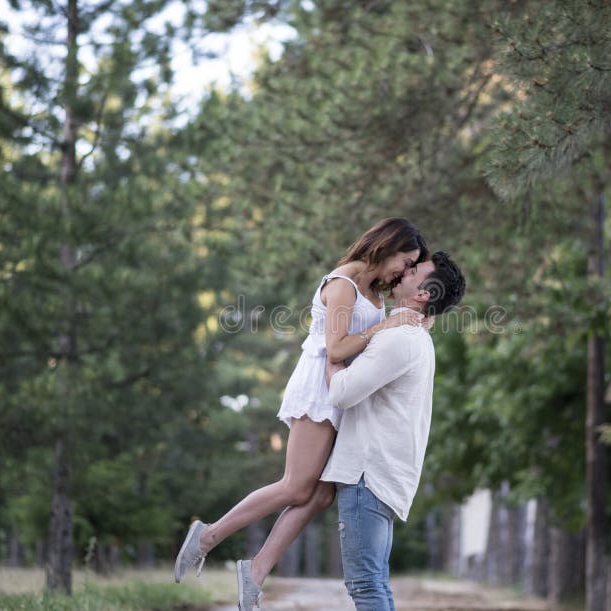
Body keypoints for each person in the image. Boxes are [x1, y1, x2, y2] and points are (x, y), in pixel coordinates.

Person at [174, 218, 429, 605]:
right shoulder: (343, 284)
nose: (404, 272)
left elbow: (382, 341)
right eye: (405, 261)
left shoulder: (376, 291)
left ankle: (255, 571)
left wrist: (414, 319)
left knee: (321, 495)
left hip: (345, 392)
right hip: (320, 389)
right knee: (296, 485)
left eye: (412, 267)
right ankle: (208, 536)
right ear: (386, 246)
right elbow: (338, 348)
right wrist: (386, 326)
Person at [225, 251, 465, 610]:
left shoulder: (400, 337)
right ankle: (256, 569)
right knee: (375, 583)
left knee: (366, 585)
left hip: (366, 475)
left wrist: (331, 355)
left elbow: (341, 393)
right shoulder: (414, 335)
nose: (405, 271)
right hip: (384, 475)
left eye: (415, 271)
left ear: (424, 294)